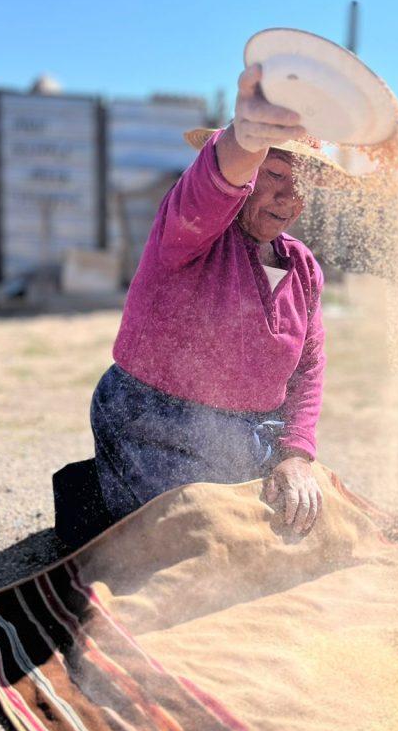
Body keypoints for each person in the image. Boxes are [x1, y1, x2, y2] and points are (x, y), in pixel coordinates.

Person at [89, 63, 340, 535]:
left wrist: (296, 453)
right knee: (211, 544)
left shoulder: (302, 265)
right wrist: (246, 139)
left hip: (250, 433)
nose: (288, 197)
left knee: (312, 527)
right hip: (157, 426)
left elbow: (309, 367)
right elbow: (216, 182)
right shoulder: (193, 229)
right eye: (274, 173)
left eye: (301, 185)